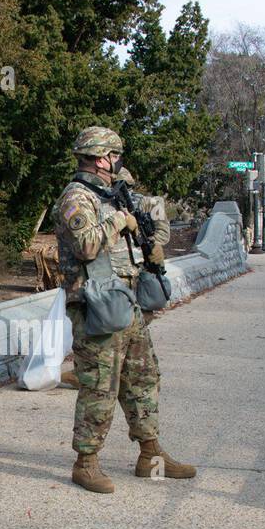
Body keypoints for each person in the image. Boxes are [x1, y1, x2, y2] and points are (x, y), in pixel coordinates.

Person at [51, 125, 196, 493]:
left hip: (126, 301)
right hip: (96, 306)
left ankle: (150, 455)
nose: (117, 163)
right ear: (102, 157)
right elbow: (85, 244)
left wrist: (150, 247)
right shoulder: (76, 198)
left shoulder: (112, 195)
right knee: (99, 387)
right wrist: (119, 220)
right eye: (115, 156)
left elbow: (137, 236)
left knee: (143, 377)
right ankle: (86, 462)